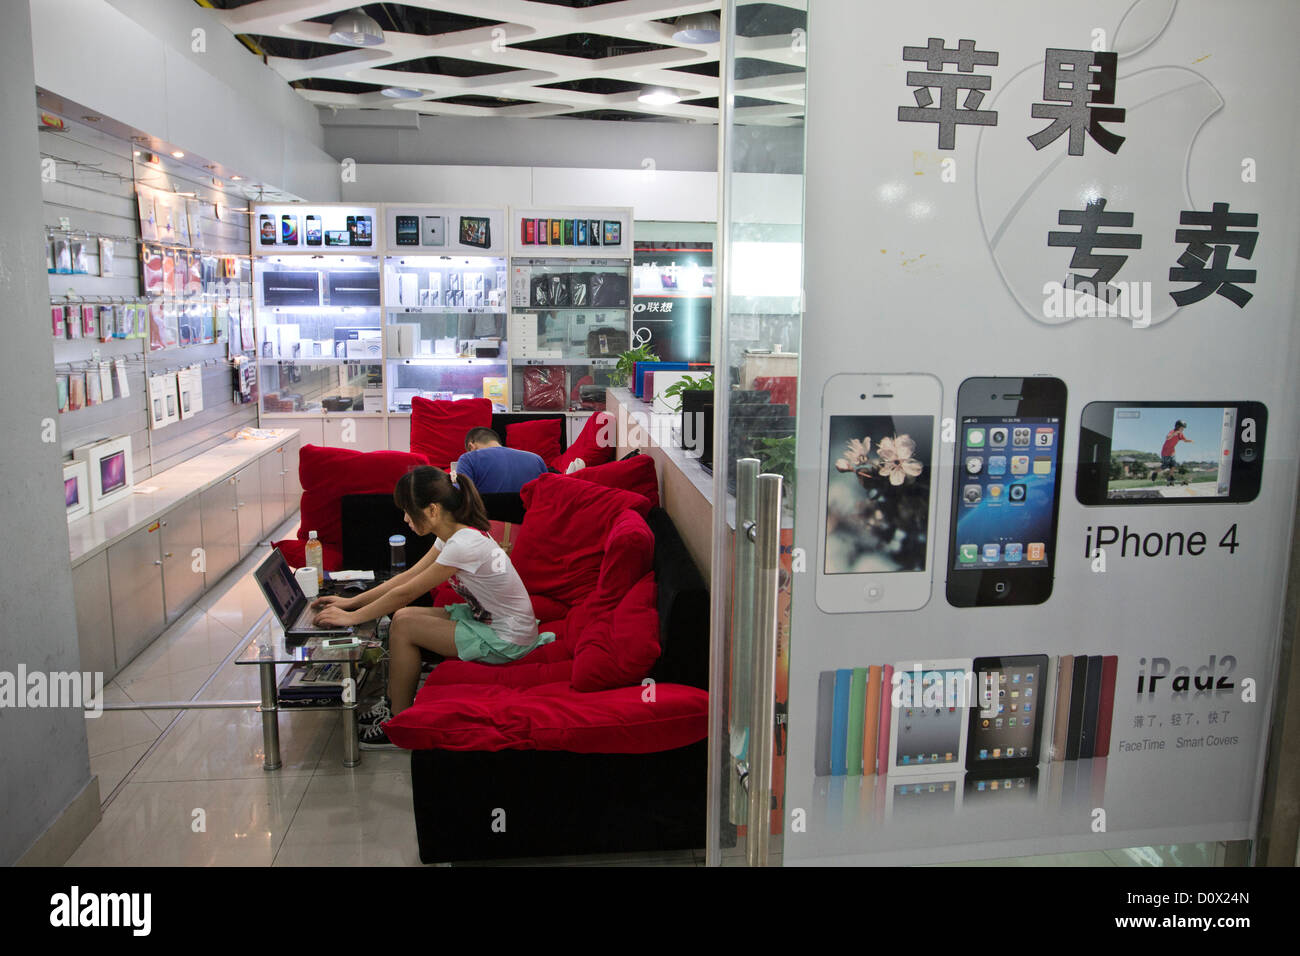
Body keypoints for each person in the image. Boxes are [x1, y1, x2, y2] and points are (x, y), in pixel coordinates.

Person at [311, 466, 554, 750]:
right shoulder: (452, 535)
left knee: (403, 625)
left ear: (433, 510)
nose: (405, 519)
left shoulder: (464, 544)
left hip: (507, 637)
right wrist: (351, 601)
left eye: (408, 511)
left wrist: (351, 617)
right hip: (491, 621)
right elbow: (408, 576)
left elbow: (409, 591)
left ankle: (398, 723)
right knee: (403, 616)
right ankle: (393, 703)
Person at [452, 426, 549, 493]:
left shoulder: (468, 458)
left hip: (485, 520)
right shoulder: (536, 459)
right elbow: (548, 493)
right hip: (528, 520)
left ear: (471, 446)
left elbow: (461, 495)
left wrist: (452, 483)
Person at [1158, 419, 1193, 484]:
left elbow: (1184, 440)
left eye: (1183, 428)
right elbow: (1167, 438)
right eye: (1182, 428)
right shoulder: (1172, 431)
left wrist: (1190, 441)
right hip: (1165, 451)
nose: (1183, 429)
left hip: (1172, 451)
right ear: (1177, 426)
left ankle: (1170, 477)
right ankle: (1155, 472)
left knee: (1173, 464)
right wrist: (1174, 434)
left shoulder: (1180, 434)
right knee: (1165, 466)